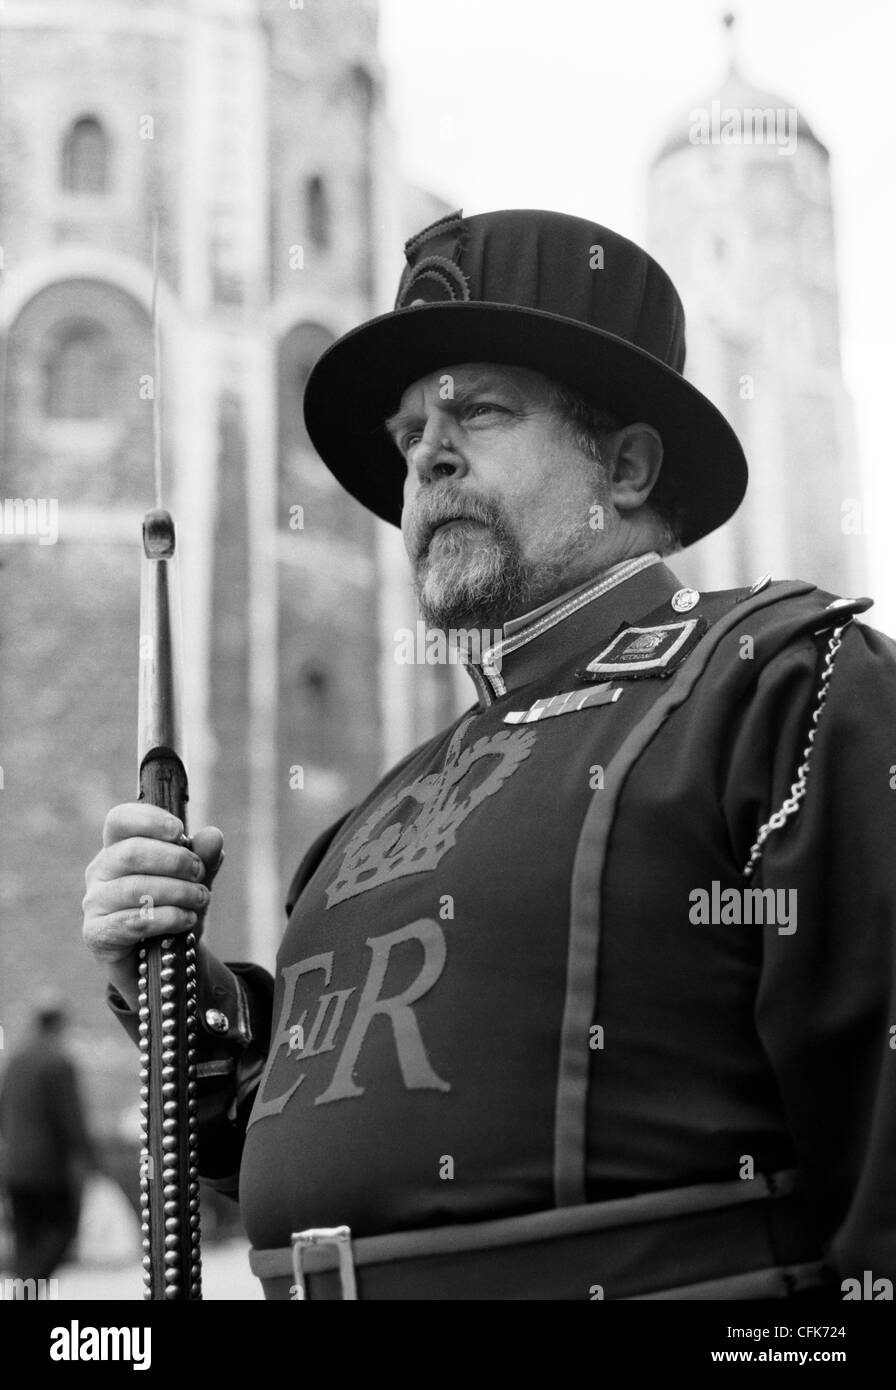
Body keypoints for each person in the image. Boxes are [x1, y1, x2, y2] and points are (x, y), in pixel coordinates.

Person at [83, 209, 896, 1300]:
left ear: (625, 463)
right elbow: (285, 1125)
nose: (427, 453)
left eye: (479, 411)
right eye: (408, 430)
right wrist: (177, 984)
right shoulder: (373, 813)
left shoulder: (787, 689)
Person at [0, 991, 97, 1285]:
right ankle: (27, 1286)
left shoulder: (16, 1061)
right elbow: (70, 1119)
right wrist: (90, 1159)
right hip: (48, 1171)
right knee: (61, 1231)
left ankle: (25, 1291)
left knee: (26, 1242)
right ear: (58, 1024)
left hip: (16, 1168)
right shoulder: (58, 1063)